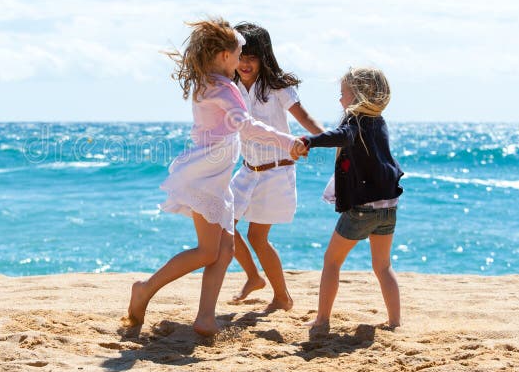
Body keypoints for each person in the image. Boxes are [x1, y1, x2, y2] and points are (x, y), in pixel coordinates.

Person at [126, 17, 307, 336]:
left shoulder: (212, 84)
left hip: (214, 179)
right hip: (204, 180)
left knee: (223, 251)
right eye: (238, 54)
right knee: (209, 251)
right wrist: (288, 141)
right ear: (224, 56)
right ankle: (145, 289)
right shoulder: (223, 90)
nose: (240, 61)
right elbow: (248, 126)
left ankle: (205, 318)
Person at [228, 22, 324, 312]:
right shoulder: (229, 86)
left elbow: (304, 117)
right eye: (240, 56)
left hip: (276, 171)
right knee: (222, 226)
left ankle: (282, 296)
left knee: (257, 236)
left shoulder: (277, 86)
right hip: (247, 170)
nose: (245, 63)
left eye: (252, 57)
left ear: (264, 57)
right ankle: (254, 277)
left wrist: (326, 139)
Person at [301, 67, 404, 329]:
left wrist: (309, 141)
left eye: (343, 93)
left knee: (331, 261)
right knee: (383, 266)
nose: (340, 100)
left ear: (359, 95)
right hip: (388, 206)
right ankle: (395, 322)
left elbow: (340, 136)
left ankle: (322, 320)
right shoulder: (378, 122)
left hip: (363, 210)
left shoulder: (354, 123)